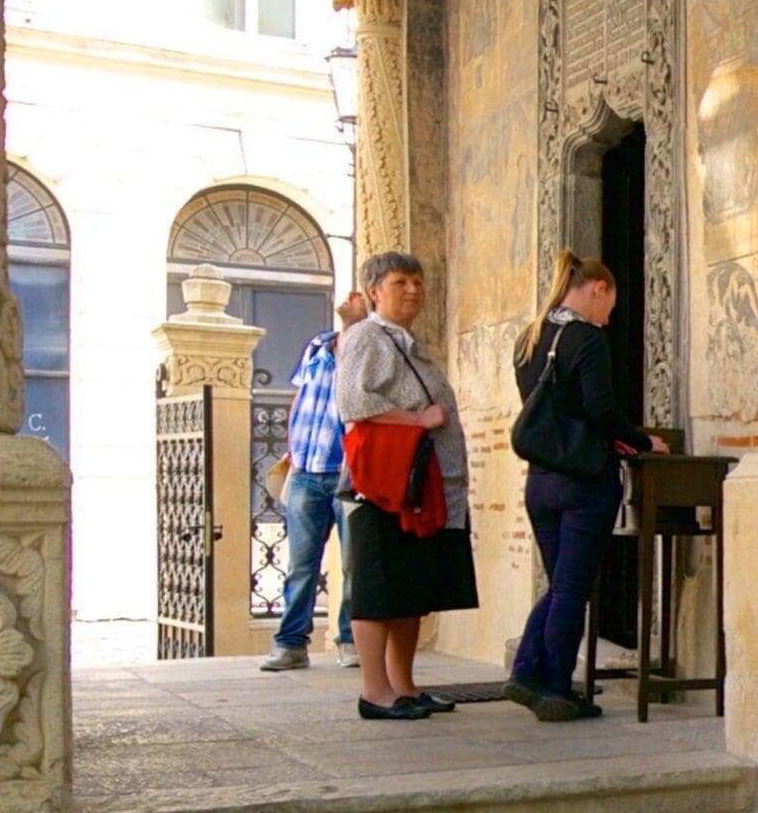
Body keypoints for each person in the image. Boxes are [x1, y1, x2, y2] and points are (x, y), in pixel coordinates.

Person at [508, 251, 655, 722]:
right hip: (584, 481)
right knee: (571, 589)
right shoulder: (586, 339)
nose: (608, 318)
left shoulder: (528, 338)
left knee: (559, 585)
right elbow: (600, 409)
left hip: (540, 481)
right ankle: (554, 688)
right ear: (598, 289)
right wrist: (640, 439)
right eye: (609, 306)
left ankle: (527, 673)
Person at [333, 250, 476, 720]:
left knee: (409, 592)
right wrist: (417, 418)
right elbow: (353, 401)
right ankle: (375, 691)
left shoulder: (403, 340)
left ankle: (404, 685)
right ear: (374, 291)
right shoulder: (366, 336)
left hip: (419, 491)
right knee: (378, 591)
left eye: (417, 280)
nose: (413, 289)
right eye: (400, 282)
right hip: (385, 489)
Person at [259, 288, 372, 672]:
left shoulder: (367, 348)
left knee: (355, 564)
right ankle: (290, 644)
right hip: (307, 470)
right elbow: (300, 398)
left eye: (361, 293)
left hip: (348, 471)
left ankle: (350, 639)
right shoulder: (317, 347)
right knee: (300, 564)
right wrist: (293, 449)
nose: (350, 294)